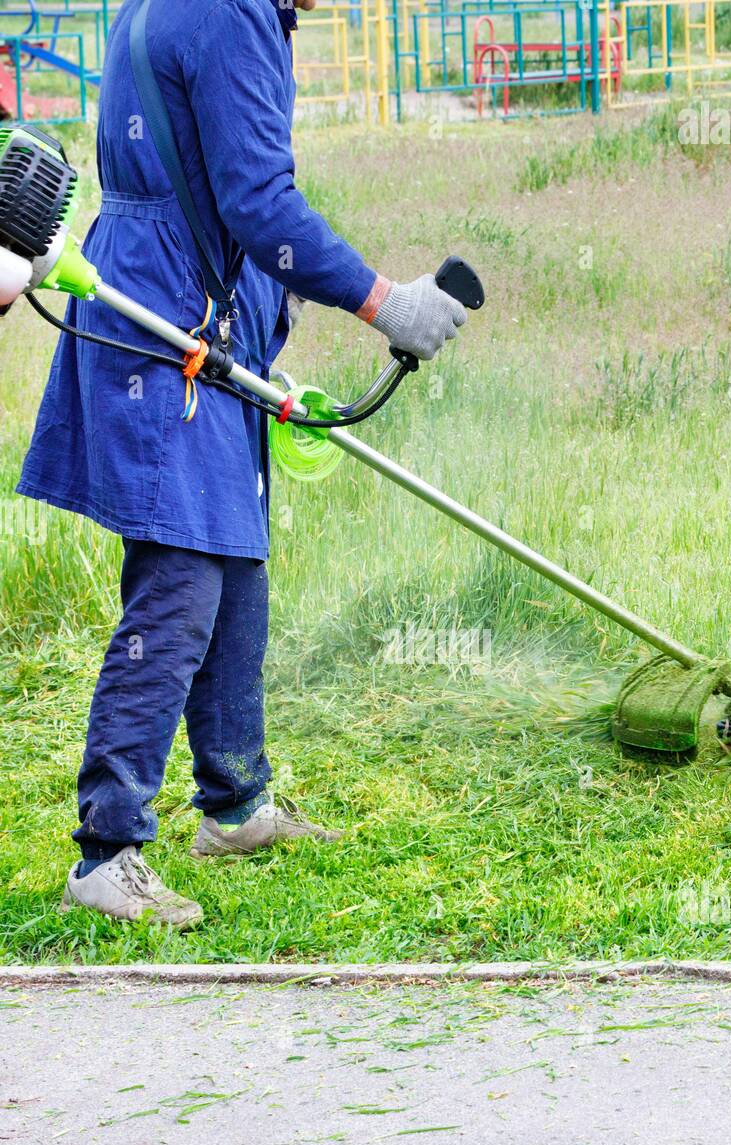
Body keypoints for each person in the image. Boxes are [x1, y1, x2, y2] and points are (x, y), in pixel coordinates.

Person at [16, 0, 467, 928]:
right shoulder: (228, 13)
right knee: (179, 580)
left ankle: (234, 805)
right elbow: (259, 203)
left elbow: (195, 182)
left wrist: (260, 328)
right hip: (169, 327)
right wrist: (385, 303)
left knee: (233, 564)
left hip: (185, 309)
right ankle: (108, 852)